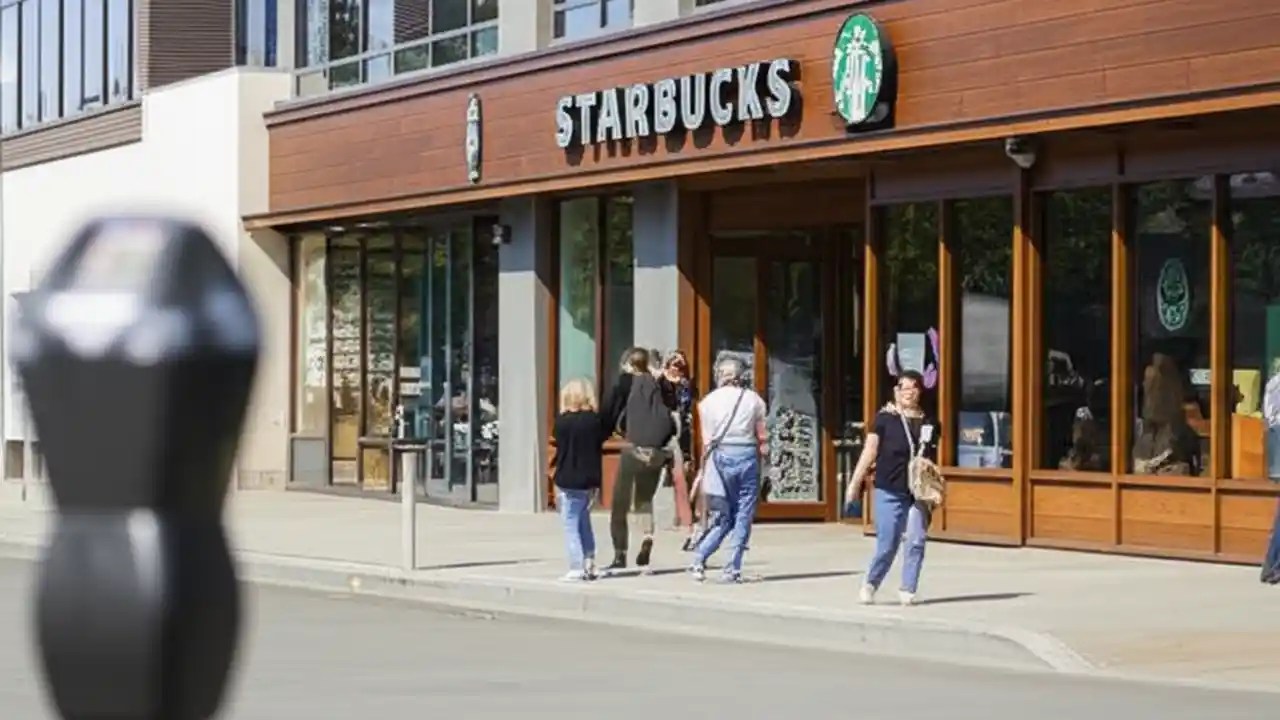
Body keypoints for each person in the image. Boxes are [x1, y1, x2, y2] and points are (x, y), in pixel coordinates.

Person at [846, 370, 942, 605]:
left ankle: (908, 589)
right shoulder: (884, 419)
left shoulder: (930, 421)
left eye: (913, 387)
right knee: (888, 543)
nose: (908, 392)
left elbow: (930, 456)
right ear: (896, 392)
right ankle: (871, 582)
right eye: (903, 387)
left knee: (917, 540)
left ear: (920, 391)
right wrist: (854, 482)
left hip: (918, 491)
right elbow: (870, 451)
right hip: (890, 488)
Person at [688, 356, 767, 583]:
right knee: (743, 513)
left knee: (724, 515)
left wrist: (704, 470)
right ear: (741, 376)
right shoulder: (754, 400)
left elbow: (707, 440)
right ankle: (731, 567)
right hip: (746, 455)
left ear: (719, 375)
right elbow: (762, 437)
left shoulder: (707, 402)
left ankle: (699, 556)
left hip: (719, 457)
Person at [602, 347, 677, 574]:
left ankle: (619, 554)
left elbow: (608, 413)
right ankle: (647, 536)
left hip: (632, 450)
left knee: (620, 505)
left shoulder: (625, 383)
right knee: (644, 499)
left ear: (628, 364)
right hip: (656, 453)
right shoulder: (661, 385)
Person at [550, 378, 608, 582]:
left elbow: (557, 441)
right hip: (590, 478)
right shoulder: (594, 421)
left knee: (570, 522)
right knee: (584, 521)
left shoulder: (563, 422)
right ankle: (589, 561)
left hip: (568, 478)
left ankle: (576, 566)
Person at [658, 350, 700, 547]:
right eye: (674, 365)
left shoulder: (686, 385)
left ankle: (685, 519)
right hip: (661, 431)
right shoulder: (659, 383)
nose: (677, 370)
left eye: (681, 367)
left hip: (682, 432)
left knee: (681, 478)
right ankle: (664, 518)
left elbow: (688, 410)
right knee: (661, 479)